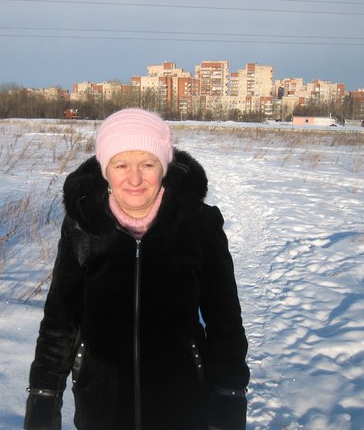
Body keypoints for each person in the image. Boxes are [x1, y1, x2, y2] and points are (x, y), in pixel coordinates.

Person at [24, 108, 250, 430]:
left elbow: (225, 321)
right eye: (121, 165)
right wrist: (44, 398)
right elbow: (59, 320)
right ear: (105, 170)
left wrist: (229, 399)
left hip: (182, 406)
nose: (134, 179)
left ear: (164, 167)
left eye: (147, 164)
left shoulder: (198, 224)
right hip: (101, 407)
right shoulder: (82, 226)